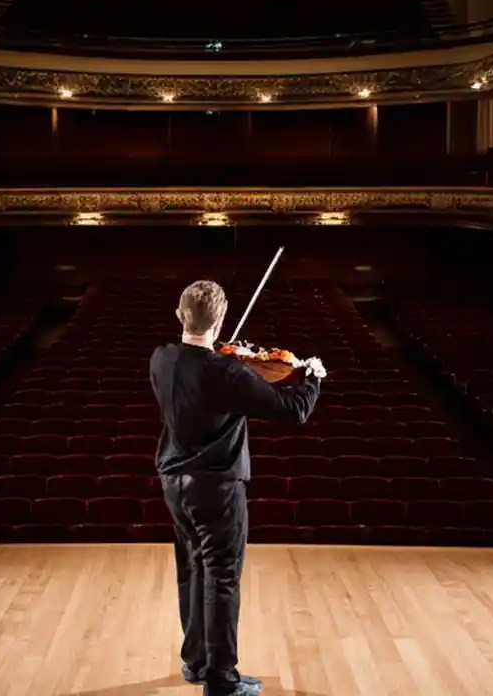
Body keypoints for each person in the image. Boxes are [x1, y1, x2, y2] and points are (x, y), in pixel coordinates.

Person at [149, 280, 325, 696]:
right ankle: (222, 682)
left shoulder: (162, 358)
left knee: (192, 570)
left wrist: (231, 363)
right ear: (222, 318)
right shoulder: (227, 372)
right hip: (217, 490)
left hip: (173, 484)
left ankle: (196, 663)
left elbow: (202, 372)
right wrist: (313, 378)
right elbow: (292, 411)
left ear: (179, 314)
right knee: (222, 579)